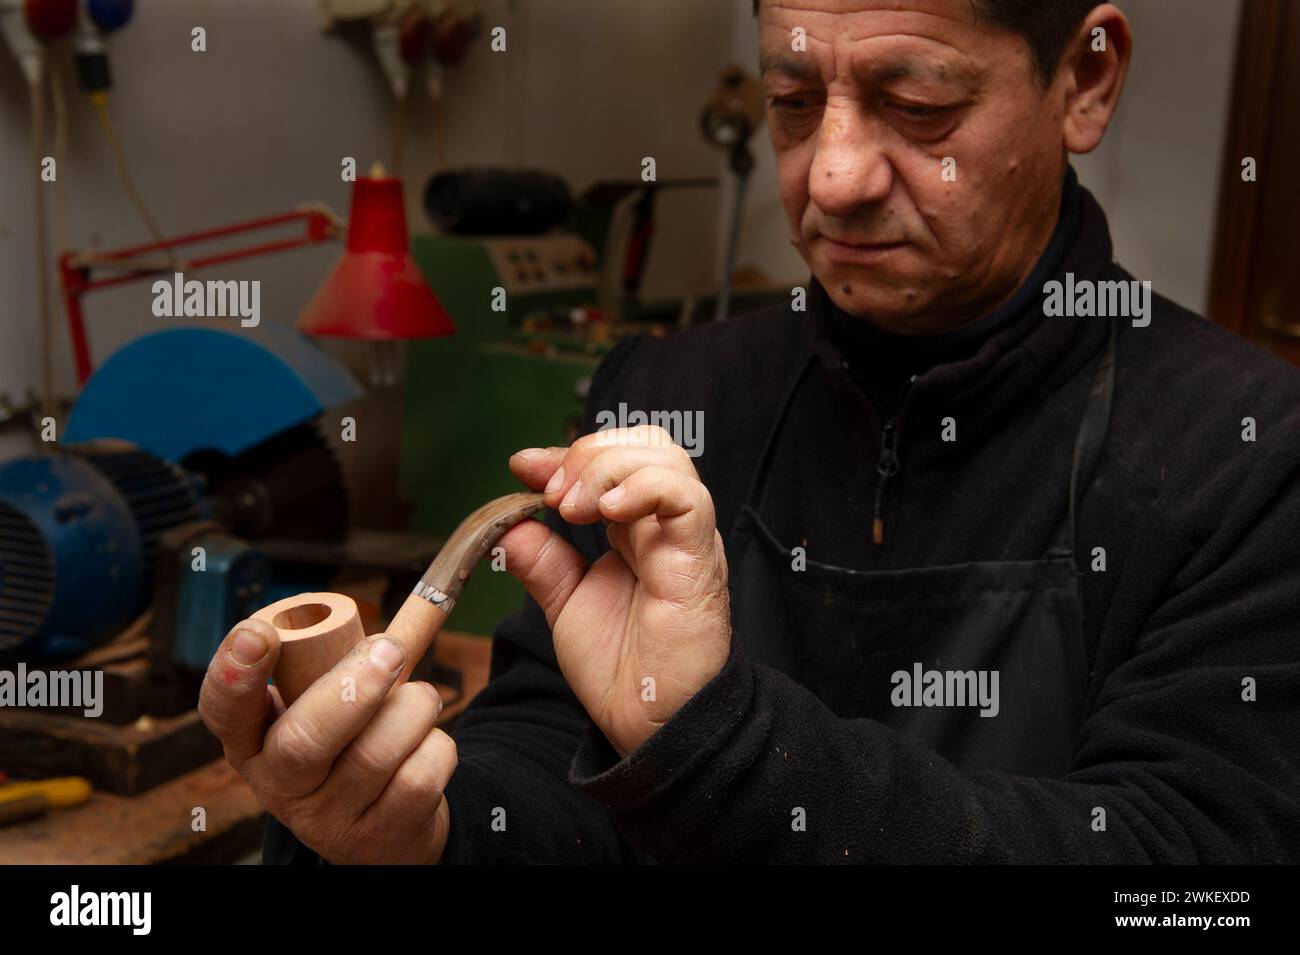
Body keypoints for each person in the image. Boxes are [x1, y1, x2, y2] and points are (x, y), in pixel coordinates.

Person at [200, 0, 1300, 863]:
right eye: (790, 99)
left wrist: (720, 746)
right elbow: (547, 751)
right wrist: (424, 833)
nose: (832, 175)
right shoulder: (676, 390)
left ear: (1085, 78)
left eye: (918, 105)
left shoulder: (1244, 451)